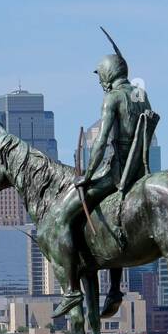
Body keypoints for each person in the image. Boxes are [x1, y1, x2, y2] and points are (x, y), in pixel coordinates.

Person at [52, 29, 158, 319]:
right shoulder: (140, 94)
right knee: (109, 216)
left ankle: (73, 289)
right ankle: (113, 289)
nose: (100, 81)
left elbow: (101, 142)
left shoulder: (112, 99)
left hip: (116, 172)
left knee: (63, 218)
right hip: (141, 170)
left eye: (101, 76)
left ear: (109, 73)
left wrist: (86, 176)